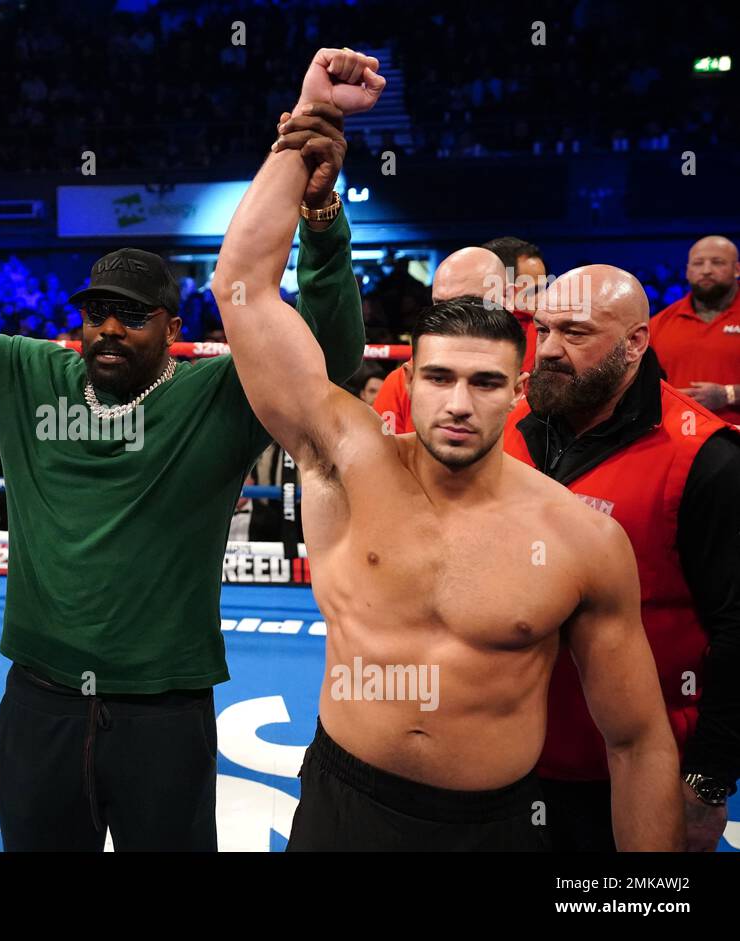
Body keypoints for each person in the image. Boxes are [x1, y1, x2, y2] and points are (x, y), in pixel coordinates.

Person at [0, 62, 366, 850]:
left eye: (131, 317)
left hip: (165, 709)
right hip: (40, 701)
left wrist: (322, 218)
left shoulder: (219, 396)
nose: (107, 328)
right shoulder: (29, 374)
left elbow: (331, 363)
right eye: (97, 312)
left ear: (171, 328)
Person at [214, 48, 682, 851]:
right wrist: (307, 125)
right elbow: (243, 288)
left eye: (484, 383)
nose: (458, 403)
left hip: (490, 824)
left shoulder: (580, 539)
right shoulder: (346, 460)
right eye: (438, 377)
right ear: (411, 379)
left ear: (520, 390)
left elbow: (637, 742)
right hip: (342, 802)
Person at [503, 265, 740, 851]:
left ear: (635, 343)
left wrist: (707, 782)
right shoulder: (506, 427)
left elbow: (738, 630)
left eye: (576, 333)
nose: (550, 350)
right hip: (501, 765)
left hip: (633, 778)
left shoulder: (707, 460)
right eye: (544, 328)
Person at [370, 247, 511, 434]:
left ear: (506, 299)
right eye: (441, 306)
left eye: (469, 304)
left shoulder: (539, 370)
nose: (452, 318)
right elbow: (382, 457)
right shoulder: (403, 381)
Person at [649, 235, 740, 425]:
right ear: (687, 272)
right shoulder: (658, 324)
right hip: (678, 440)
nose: (706, 270)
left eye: (717, 262)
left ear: (737, 269)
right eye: (698, 263)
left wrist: (728, 395)